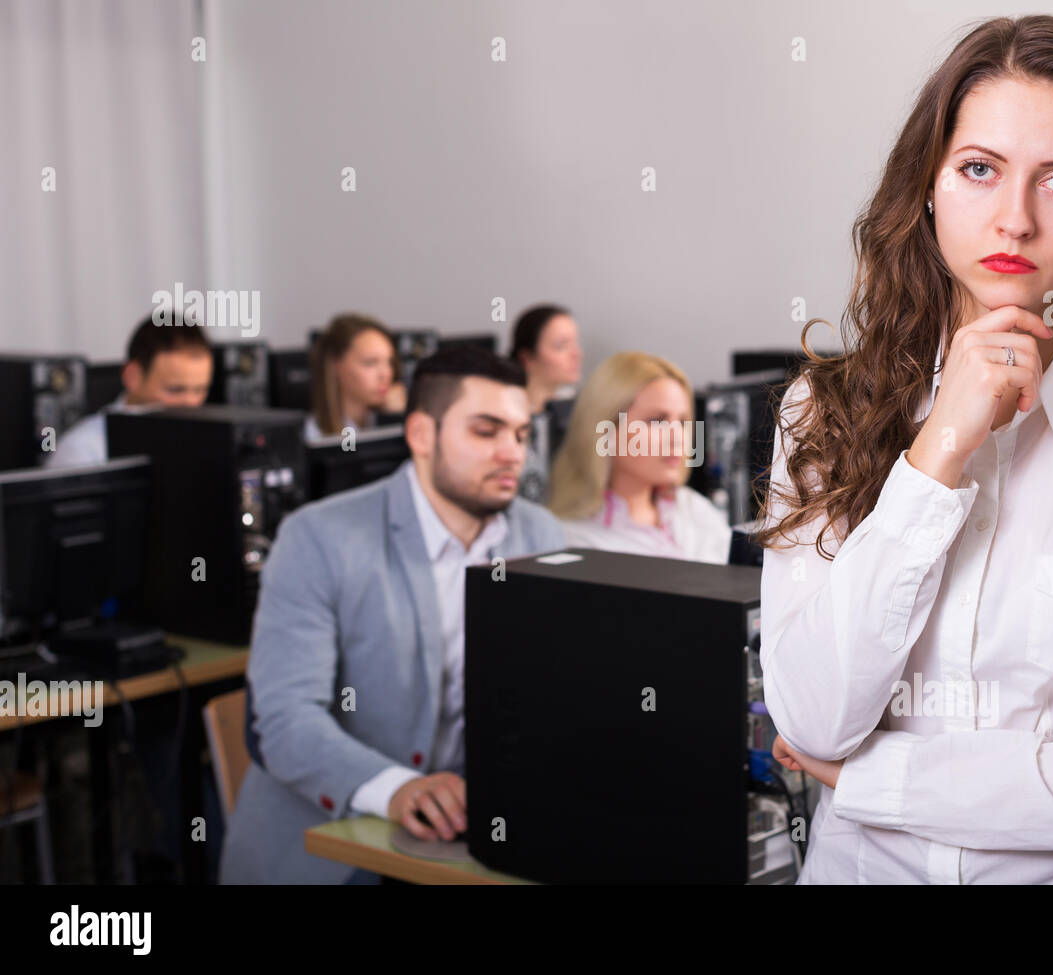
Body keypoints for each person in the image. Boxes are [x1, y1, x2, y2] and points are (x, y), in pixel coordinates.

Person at [755, 14, 1053, 885]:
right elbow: (812, 718)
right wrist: (938, 447)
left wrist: (885, 780)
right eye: (979, 170)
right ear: (931, 186)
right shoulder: (824, 408)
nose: (1014, 220)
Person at [220, 346, 565, 884]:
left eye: (521, 434)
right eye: (486, 431)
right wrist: (398, 788)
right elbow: (285, 720)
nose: (512, 453)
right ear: (422, 434)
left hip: (468, 837)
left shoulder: (540, 535)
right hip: (330, 847)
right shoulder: (318, 538)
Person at [549, 351, 732, 564]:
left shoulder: (693, 508)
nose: (677, 439)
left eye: (682, 422)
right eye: (656, 421)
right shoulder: (571, 541)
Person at [43, 313, 213, 468]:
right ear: (133, 376)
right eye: (175, 390)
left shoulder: (211, 443)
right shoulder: (84, 451)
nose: (191, 403)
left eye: (200, 390)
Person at [508, 304, 583, 503]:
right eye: (561, 346)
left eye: (575, 344)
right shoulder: (508, 417)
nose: (576, 354)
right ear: (527, 357)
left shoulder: (575, 410)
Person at [305, 313, 406, 440]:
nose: (386, 374)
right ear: (336, 366)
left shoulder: (386, 419)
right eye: (370, 362)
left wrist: (398, 418)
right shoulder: (312, 434)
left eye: (390, 362)